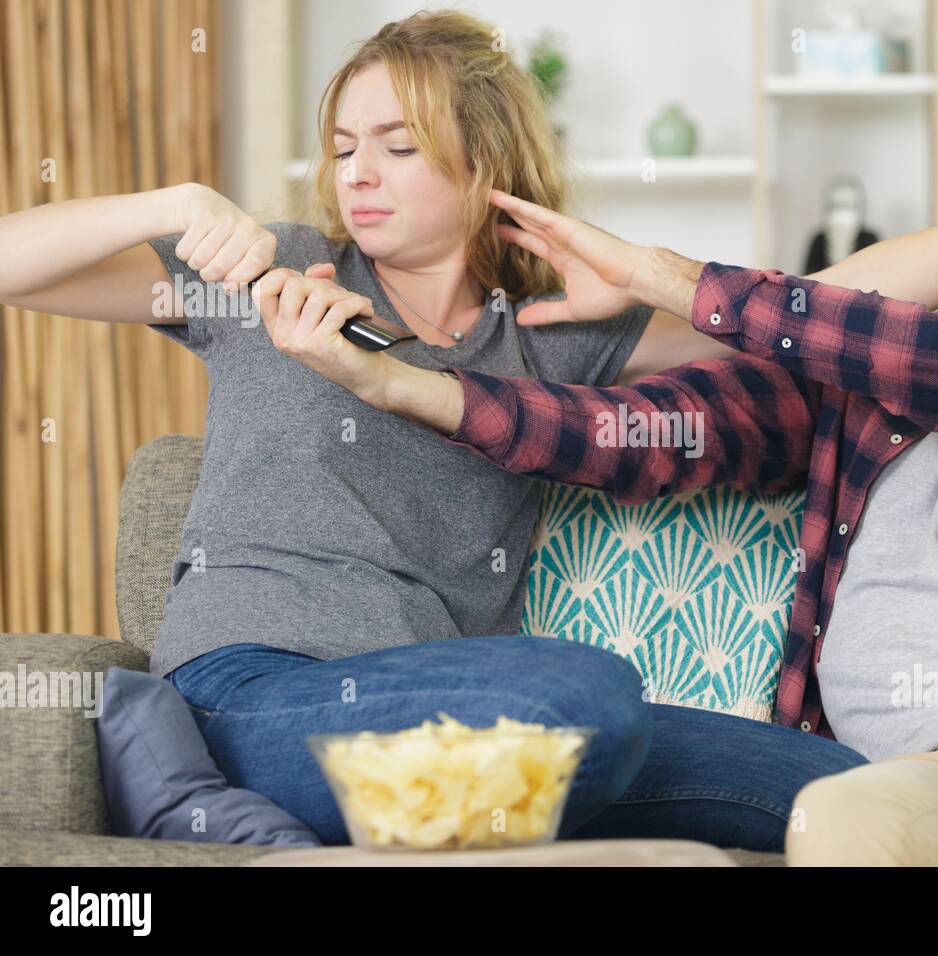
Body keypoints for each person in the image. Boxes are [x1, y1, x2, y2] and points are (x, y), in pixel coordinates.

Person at [266, 114, 938, 863]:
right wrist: (404, 384)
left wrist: (658, 274)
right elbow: (650, 433)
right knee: (837, 828)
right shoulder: (884, 385)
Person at [0, 9, 864, 850]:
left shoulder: (551, 335)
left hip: (444, 708)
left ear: (484, 161)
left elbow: (828, 310)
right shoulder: (277, 270)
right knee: (581, 698)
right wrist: (172, 204)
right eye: (343, 148)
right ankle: (262, 792)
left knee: (839, 790)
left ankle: (416, 813)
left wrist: (648, 274)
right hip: (245, 691)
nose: (357, 173)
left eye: (398, 146)